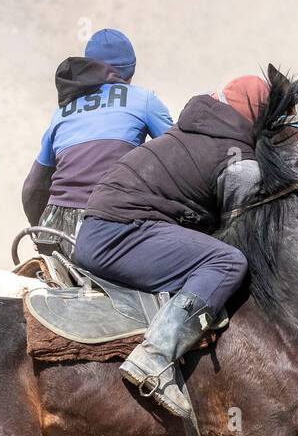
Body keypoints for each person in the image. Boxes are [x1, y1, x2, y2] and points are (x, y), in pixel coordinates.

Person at [74, 75, 270, 417]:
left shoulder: (188, 131)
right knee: (228, 263)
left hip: (97, 232)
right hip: (121, 237)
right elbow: (238, 233)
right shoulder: (240, 164)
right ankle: (156, 358)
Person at [22, 28, 174, 256]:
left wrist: (42, 231)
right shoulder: (145, 100)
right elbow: (181, 158)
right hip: (106, 225)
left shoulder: (63, 111)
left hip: (53, 231)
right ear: (131, 70)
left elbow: (32, 189)